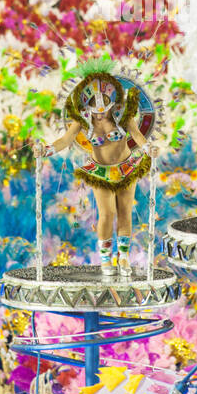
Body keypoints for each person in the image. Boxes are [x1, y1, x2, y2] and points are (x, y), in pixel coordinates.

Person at [40, 66, 160, 278]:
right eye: (95, 108)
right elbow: (66, 140)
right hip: (100, 172)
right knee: (107, 213)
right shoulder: (82, 120)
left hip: (126, 168)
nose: (100, 111)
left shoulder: (123, 115)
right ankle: (105, 258)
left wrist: (149, 148)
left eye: (104, 105)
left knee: (125, 212)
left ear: (112, 100)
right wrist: (47, 150)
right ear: (87, 105)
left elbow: (138, 136)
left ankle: (123, 257)